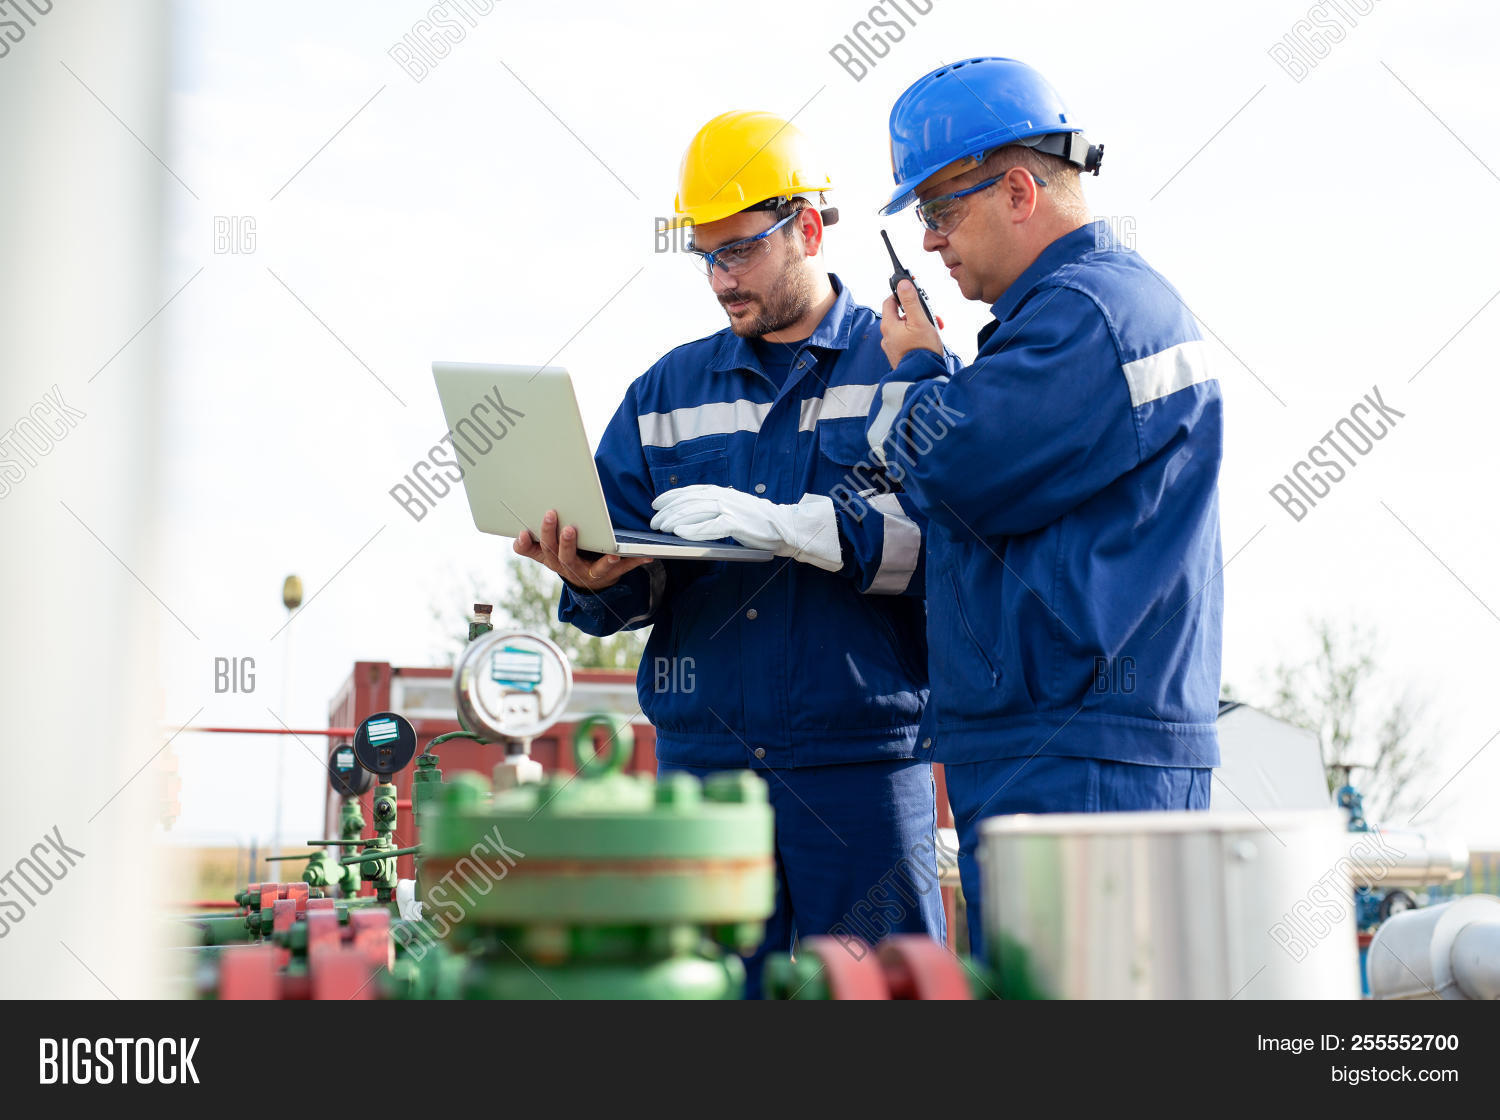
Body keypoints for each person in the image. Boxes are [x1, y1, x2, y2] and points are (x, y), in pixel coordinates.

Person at [514, 110, 951, 994]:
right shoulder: (666, 391)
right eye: (705, 256)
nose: (720, 279)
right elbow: (627, 572)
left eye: (740, 251)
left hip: (860, 769)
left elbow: (946, 544)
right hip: (706, 774)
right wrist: (586, 575)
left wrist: (793, 526)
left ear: (810, 229)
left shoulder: (902, 364)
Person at [868, 57, 1224, 956]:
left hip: (1080, 747)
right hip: (1065, 736)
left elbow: (951, 466)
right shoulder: (1085, 313)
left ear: (1019, 189)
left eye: (941, 210)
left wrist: (915, 370)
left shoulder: (1087, 316)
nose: (932, 242)